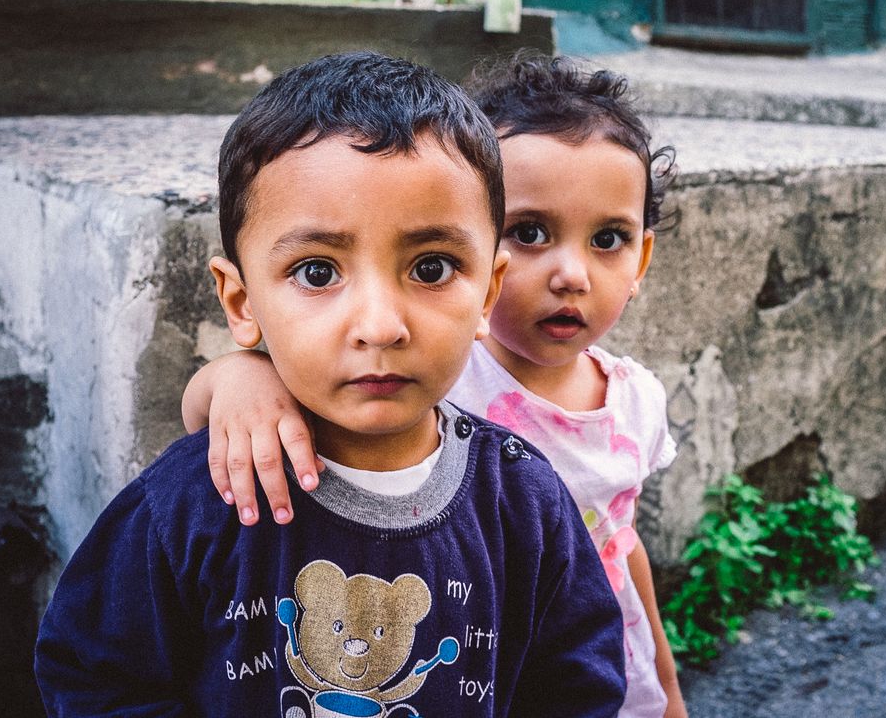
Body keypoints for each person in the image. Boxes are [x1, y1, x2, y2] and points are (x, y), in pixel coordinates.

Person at [34, 51, 627, 718]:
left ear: (487, 290)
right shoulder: (195, 502)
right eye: (317, 272)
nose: (379, 325)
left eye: (431, 267)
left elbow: (577, 687)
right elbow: (94, 676)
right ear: (241, 301)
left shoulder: (522, 502)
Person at [183, 53, 687, 717]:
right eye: (531, 231)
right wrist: (237, 373)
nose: (570, 273)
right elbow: (218, 414)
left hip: (594, 659)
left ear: (642, 256)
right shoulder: (432, 376)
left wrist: (667, 679)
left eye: (608, 237)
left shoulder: (634, 401)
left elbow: (621, 540)